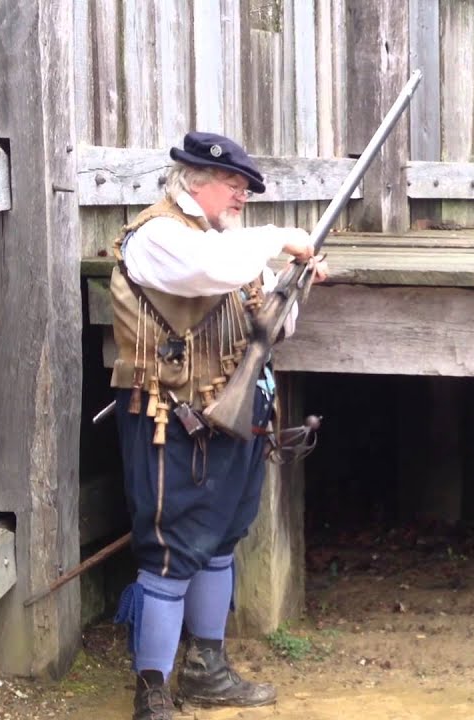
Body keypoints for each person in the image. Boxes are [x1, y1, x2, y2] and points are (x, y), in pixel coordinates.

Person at [108, 131, 327, 720]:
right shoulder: (158, 237)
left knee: (220, 541)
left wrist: (296, 281)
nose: (242, 196)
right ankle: (152, 691)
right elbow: (212, 269)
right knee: (169, 551)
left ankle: (207, 670)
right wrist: (281, 238)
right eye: (233, 184)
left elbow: (272, 328)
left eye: (246, 188)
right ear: (195, 181)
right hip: (171, 422)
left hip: (236, 420)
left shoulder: (229, 245)